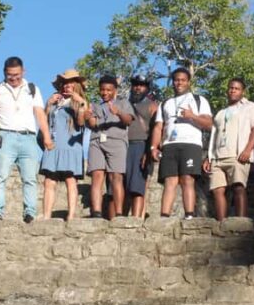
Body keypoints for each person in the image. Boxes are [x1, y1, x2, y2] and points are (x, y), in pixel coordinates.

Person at [0, 56, 53, 223]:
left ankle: (30, 212)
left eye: (17, 75)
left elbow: (39, 113)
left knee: (30, 178)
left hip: (28, 138)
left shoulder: (32, 88)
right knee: (0, 176)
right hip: (5, 137)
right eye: (10, 75)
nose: (13, 78)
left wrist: (46, 136)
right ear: (4, 72)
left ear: (23, 71)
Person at [150, 67, 212, 219]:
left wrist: (192, 116)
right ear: (173, 82)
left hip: (191, 144)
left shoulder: (199, 100)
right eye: (177, 80)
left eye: (183, 80)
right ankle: (164, 217)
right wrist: (153, 147)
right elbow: (158, 127)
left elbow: (209, 124)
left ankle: (189, 215)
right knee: (169, 180)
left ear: (189, 82)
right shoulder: (166, 103)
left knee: (187, 179)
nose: (179, 83)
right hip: (169, 144)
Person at [203, 78, 254, 221]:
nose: (233, 91)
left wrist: (247, 150)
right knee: (217, 190)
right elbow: (214, 136)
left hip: (238, 154)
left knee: (238, 187)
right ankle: (221, 224)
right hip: (218, 156)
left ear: (243, 91)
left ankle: (241, 223)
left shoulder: (250, 107)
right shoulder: (221, 113)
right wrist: (209, 157)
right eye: (231, 88)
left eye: (237, 88)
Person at [39, 70, 88, 220]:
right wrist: (48, 104)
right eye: (64, 83)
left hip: (70, 147)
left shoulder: (80, 102)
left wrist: (81, 102)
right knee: (49, 181)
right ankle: (46, 216)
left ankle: (71, 215)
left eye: (70, 82)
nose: (66, 85)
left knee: (70, 180)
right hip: (53, 146)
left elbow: (81, 122)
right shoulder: (56, 102)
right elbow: (44, 122)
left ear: (76, 85)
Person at [85, 75, 134, 218]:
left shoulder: (123, 103)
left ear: (115, 90)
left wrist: (118, 112)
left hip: (117, 142)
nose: (105, 92)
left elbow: (128, 120)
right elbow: (92, 124)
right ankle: (96, 212)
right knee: (97, 175)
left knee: (116, 177)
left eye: (108, 90)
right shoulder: (95, 105)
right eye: (102, 90)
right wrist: (88, 117)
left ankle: (118, 213)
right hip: (97, 141)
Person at [125, 75, 158, 218]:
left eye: (142, 85)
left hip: (142, 145)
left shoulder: (153, 105)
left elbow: (157, 129)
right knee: (121, 185)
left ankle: (137, 219)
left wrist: (148, 151)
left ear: (147, 88)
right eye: (135, 84)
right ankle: (120, 219)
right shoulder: (124, 103)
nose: (138, 88)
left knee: (138, 186)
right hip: (123, 146)